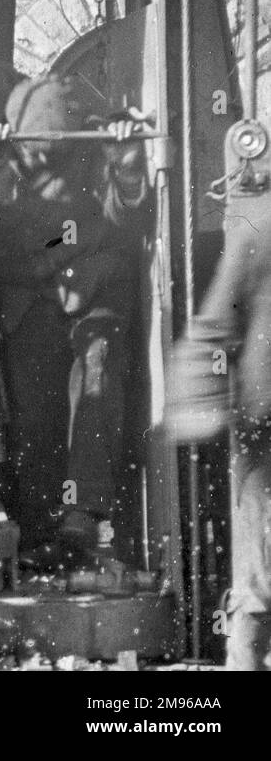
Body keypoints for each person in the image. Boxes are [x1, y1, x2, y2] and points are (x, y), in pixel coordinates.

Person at [0, 73, 149, 569]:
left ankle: (85, 512)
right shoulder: (7, 159)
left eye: (50, 152)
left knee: (95, 376)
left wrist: (129, 164)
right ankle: (37, 529)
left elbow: (126, 215)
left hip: (96, 296)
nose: (39, 160)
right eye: (32, 150)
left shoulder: (97, 151)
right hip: (32, 300)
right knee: (33, 414)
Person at [167, 188, 271, 670]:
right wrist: (197, 407)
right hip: (265, 421)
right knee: (259, 576)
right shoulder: (261, 223)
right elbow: (217, 320)